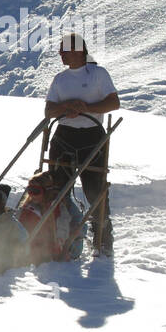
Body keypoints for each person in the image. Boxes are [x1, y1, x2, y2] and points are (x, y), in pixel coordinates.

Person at [44, 32, 119, 255]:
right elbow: (48, 111)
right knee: (58, 189)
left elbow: (113, 103)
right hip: (64, 136)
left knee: (94, 190)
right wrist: (68, 106)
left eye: (64, 50)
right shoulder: (60, 79)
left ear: (78, 51)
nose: (60, 54)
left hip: (91, 136)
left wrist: (85, 107)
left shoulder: (98, 74)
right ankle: (60, 234)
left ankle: (103, 237)